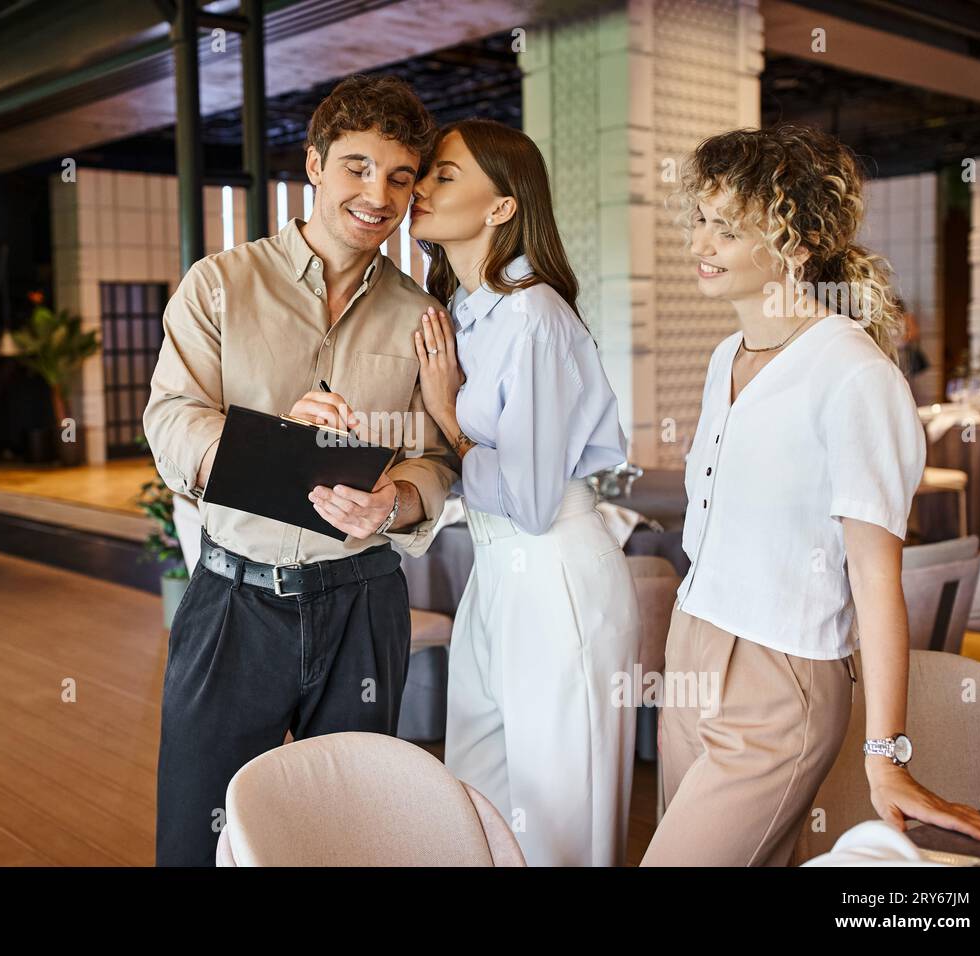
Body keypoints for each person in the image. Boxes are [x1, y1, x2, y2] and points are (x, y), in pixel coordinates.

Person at [640, 125, 980, 866]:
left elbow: (877, 581)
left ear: (798, 244)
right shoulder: (725, 357)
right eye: (701, 220)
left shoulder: (854, 374)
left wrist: (887, 755)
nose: (701, 244)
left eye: (730, 227)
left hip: (782, 675)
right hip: (692, 643)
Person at [144, 75, 460, 866]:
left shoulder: (422, 313)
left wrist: (396, 503)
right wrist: (276, 440)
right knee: (197, 834)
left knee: (346, 837)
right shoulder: (219, 284)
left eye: (398, 177)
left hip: (364, 605)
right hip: (233, 605)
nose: (377, 194)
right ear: (314, 166)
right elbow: (172, 418)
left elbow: (438, 455)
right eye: (356, 166)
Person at [409, 118, 641, 866]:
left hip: (555, 573)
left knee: (555, 817)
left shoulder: (536, 317)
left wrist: (449, 413)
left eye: (444, 174)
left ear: (502, 206)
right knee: (475, 793)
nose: (419, 186)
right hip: (496, 572)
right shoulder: (467, 317)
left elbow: (534, 499)